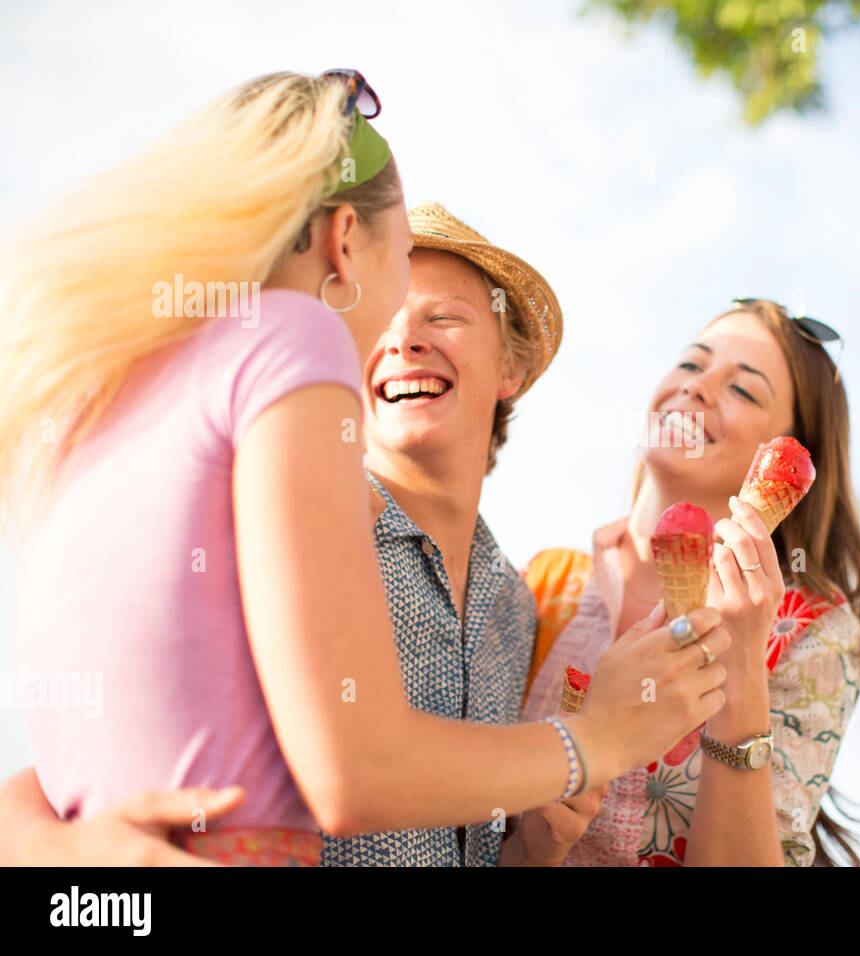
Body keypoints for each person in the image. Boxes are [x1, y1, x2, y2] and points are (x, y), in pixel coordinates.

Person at [0, 72, 727, 866]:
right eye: (403, 266)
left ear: (509, 368)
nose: (399, 336)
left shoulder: (514, 606)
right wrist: (594, 740)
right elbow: (352, 772)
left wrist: (536, 834)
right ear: (347, 240)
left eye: (444, 317)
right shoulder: (292, 388)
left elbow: (142, 706)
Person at [521, 297, 860, 866]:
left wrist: (740, 668)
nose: (698, 388)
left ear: (786, 455)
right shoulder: (542, 582)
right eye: (692, 364)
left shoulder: (810, 625)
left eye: (743, 389)